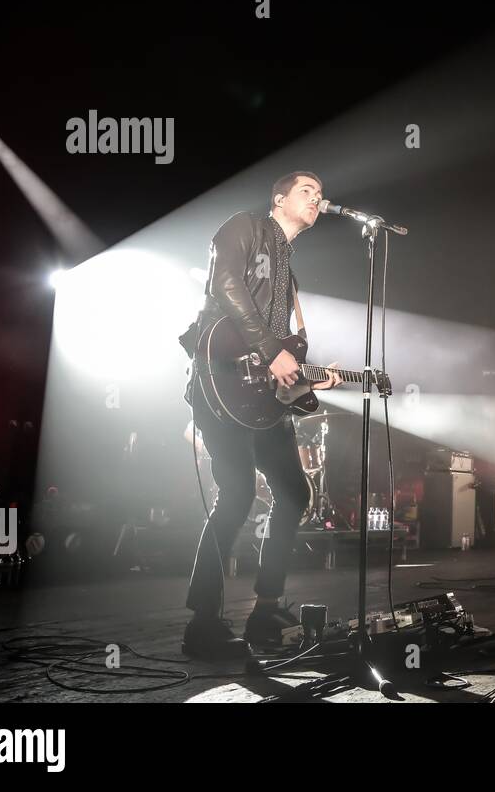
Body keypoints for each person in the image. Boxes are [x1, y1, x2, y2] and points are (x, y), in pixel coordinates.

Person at [179, 171, 345, 660]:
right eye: (306, 191)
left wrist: (312, 380)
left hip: (262, 400)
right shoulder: (244, 227)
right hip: (219, 384)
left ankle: (266, 606)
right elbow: (224, 282)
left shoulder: (290, 275)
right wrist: (274, 351)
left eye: (320, 192)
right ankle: (202, 621)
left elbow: (282, 363)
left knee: (294, 491)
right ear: (279, 199)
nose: (318, 198)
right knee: (237, 492)